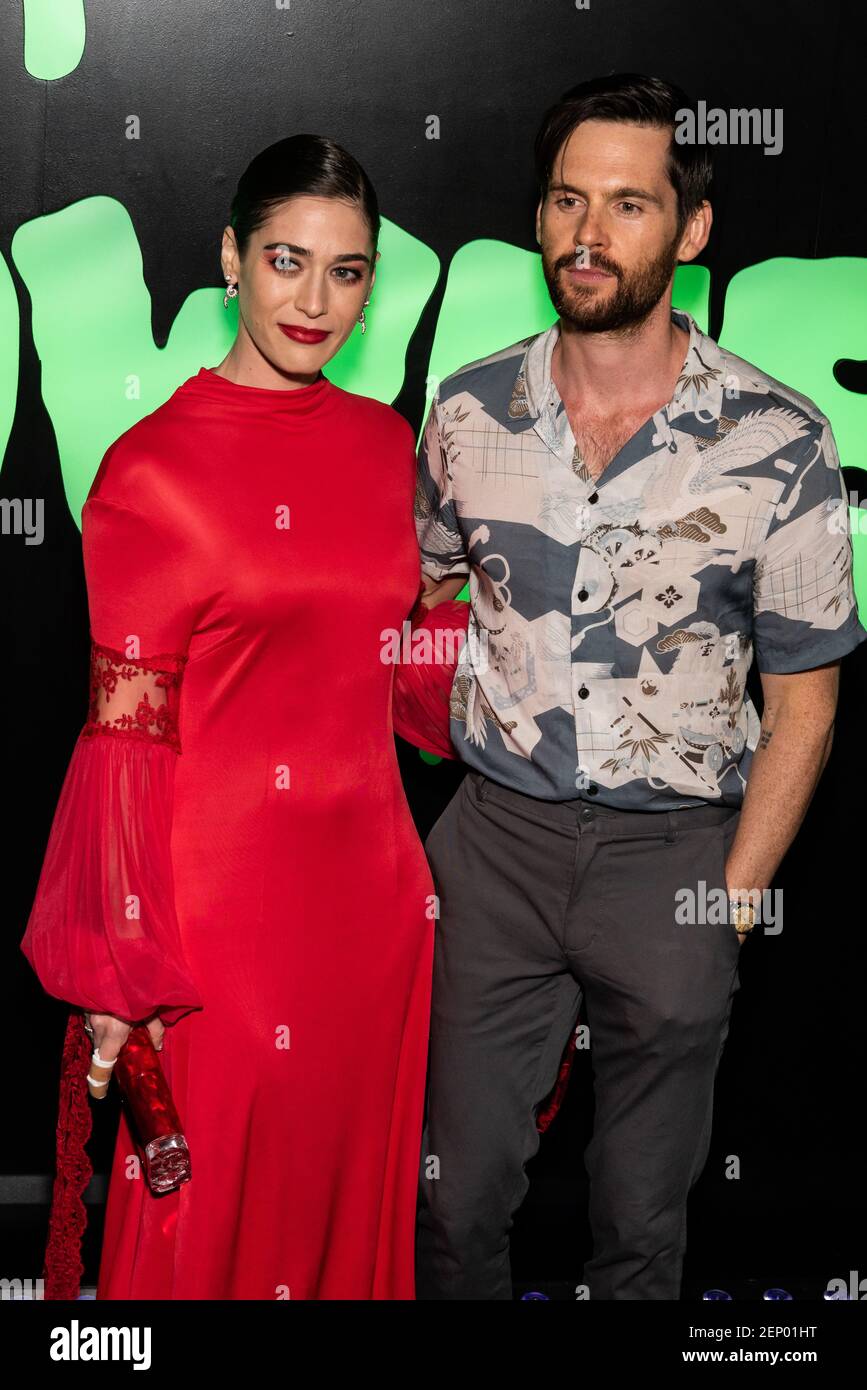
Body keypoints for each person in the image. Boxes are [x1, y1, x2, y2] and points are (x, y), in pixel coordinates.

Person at [399, 73, 867, 1299]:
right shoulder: (464, 414)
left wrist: (736, 897)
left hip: (679, 863)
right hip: (492, 851)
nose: (587, 236)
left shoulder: (781, 439)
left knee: (645, 1230)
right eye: (565, 201)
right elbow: (421, 599)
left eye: (626, 205)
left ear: (693, 228)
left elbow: (805, 702)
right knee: (451, 1204)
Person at [22, 133, 438, 1300]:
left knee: (348, 1206)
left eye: (347, 271)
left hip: (374, 908)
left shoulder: (385, 445)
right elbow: (121, 735)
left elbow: (407, 673)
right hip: (216, 927)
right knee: (201, 1226)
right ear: (230, 261)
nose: (315, 301)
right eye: (286, 260)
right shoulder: (152, 469)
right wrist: (117, 962)